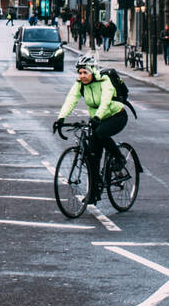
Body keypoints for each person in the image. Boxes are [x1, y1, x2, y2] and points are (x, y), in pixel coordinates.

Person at [52, 56, 127, 207]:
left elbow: (106, 100)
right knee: (92, 156)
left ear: (92, 71)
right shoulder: (80, 85)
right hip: (97, 119)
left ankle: (119, 158)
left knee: (101, 133)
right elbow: (71, 99)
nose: (82, 76)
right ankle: (93, 193)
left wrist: (98, 116)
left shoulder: (104, 81)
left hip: (116, 115)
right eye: (79, 73)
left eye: (85, 72)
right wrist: (61, 118)